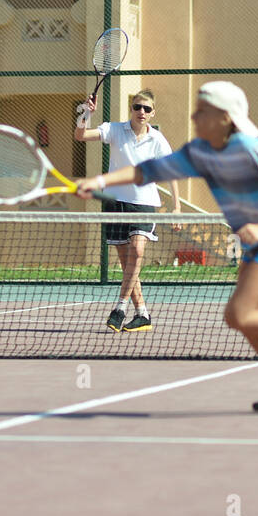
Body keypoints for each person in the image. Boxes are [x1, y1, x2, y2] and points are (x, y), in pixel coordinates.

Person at [76, 81, 258, 412]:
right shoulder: (200, 152)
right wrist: (99, 181)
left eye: (203, 111)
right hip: (255, 242)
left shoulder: (252, 149)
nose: (194, 115)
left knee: (238, 314)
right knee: (246, 318)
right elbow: (147, 171)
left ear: (225, 118)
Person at [75, 89, 181, 333]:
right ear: (131, 109)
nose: (141, 112)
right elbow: (80, 135)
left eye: (146, 108)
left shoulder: (157, 140)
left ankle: (120, 308)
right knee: (127, 264)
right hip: (116, 203)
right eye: (137, 107)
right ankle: (142, 314)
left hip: (144, 203)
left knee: (137, 250)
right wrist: (85, 114)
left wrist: (176, 207)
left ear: (152, 113)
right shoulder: (114, 130)